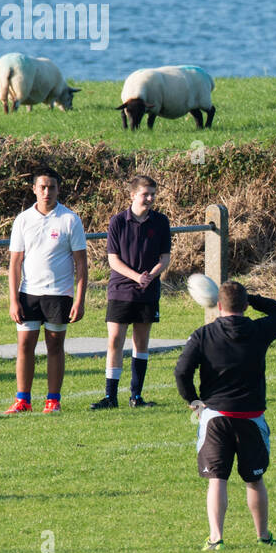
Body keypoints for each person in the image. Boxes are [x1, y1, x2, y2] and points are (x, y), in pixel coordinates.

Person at [174, 280, 276, 550]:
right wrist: (256, 299)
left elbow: (181, 372)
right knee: (254, 479)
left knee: (217, 479)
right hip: (251, 418)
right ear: (246, 305)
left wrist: (193, 399)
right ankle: (263, 536)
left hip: (215, 417)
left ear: (218, 306)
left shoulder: (203, 335)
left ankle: (216, 539)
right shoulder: (259, 330)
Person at [4, 167, 87, 414]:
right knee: (24, 346)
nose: (47, 191)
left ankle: (53, 401)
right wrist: (13, 300)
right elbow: (15, 263)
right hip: (28, 294)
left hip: (59, 294)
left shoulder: (70, 219)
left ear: (58, 189)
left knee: (54, 347)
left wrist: (79, 300)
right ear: (34, 189)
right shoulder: (23, 220)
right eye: (42, 187)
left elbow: (81, 264)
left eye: (51, 187)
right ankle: (23, 400)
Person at [90, 175, 171, 409]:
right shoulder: (117, 222)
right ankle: (110, 397)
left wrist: (151, 276)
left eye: (153, 194)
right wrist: (137, 277)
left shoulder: (161, 222)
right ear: (132, 195)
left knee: (141, 341)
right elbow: (113, 260)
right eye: (146, 194)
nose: (150, 198)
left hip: (148, 291)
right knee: (115, 340)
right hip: (121, 290)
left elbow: (164, 258)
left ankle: (136, 396)